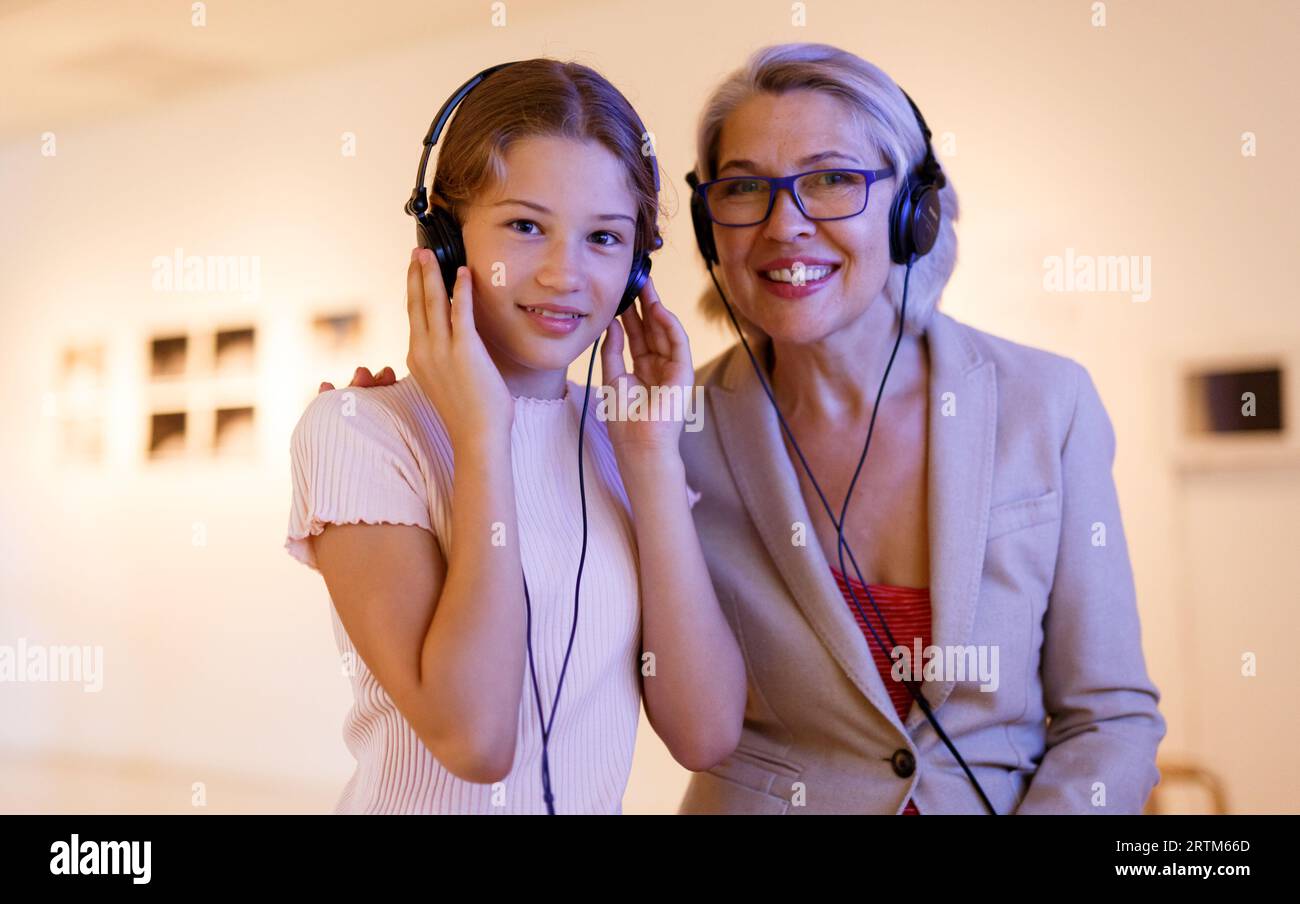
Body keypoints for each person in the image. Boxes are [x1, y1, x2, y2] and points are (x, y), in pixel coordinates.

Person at [287, 59, 744, 814]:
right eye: (527, 226)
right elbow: (476, 740)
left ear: (637, 271)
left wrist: (653, 462)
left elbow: (705, 734)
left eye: (604, 237)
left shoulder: (622, 439)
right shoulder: (360, 433)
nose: (567, 273)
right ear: (445, 238)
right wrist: (480, 438)